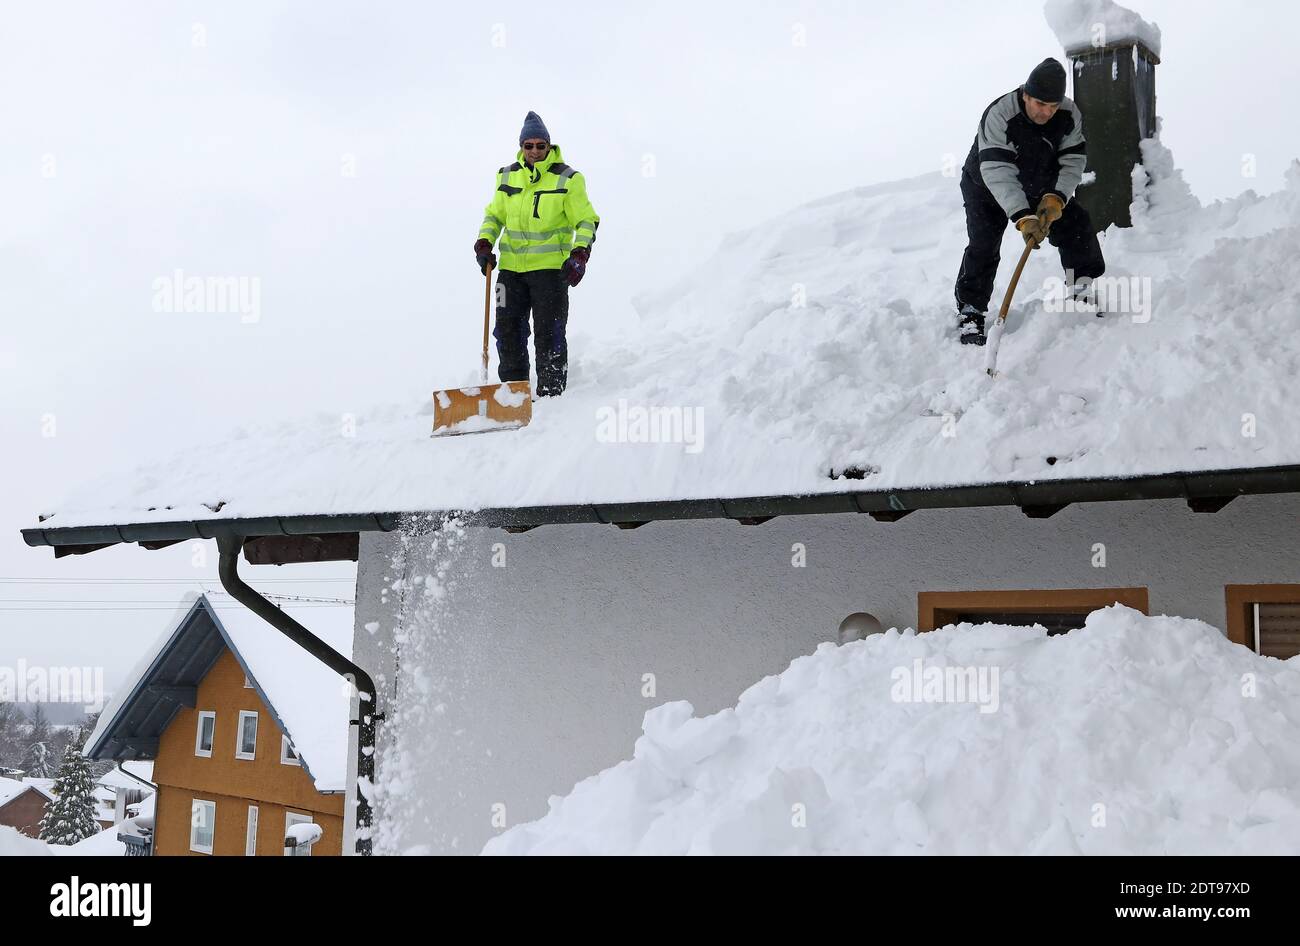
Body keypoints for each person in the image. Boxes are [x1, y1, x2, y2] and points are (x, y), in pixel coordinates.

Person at [954, 58, 1106, 345]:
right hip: (985, 184)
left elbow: (1073, 160)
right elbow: (998, 170)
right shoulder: (1000, 115)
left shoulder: (1068, 114)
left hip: (1039, 184)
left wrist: (1056, 198)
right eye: (1039, 104)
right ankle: (970, 311)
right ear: (1025, 94)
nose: (1046, 112)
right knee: (984, 244)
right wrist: (1024, 216)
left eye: (1052, 106)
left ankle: (1081, 288)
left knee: (1076, 222)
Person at [473, 111, 600, 396]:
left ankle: (551, 394)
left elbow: (586, 220)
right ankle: (514, 396)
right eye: (528, 145)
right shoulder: (506, 176)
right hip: (510, 271)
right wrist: (484, 242)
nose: (534, 151)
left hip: (551, 272)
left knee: (549, 333)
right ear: (521, 146)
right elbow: (494, 215)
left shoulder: (568, 179)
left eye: (539, 146)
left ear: (549, 146)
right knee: (508, 333)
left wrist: (579, 255)